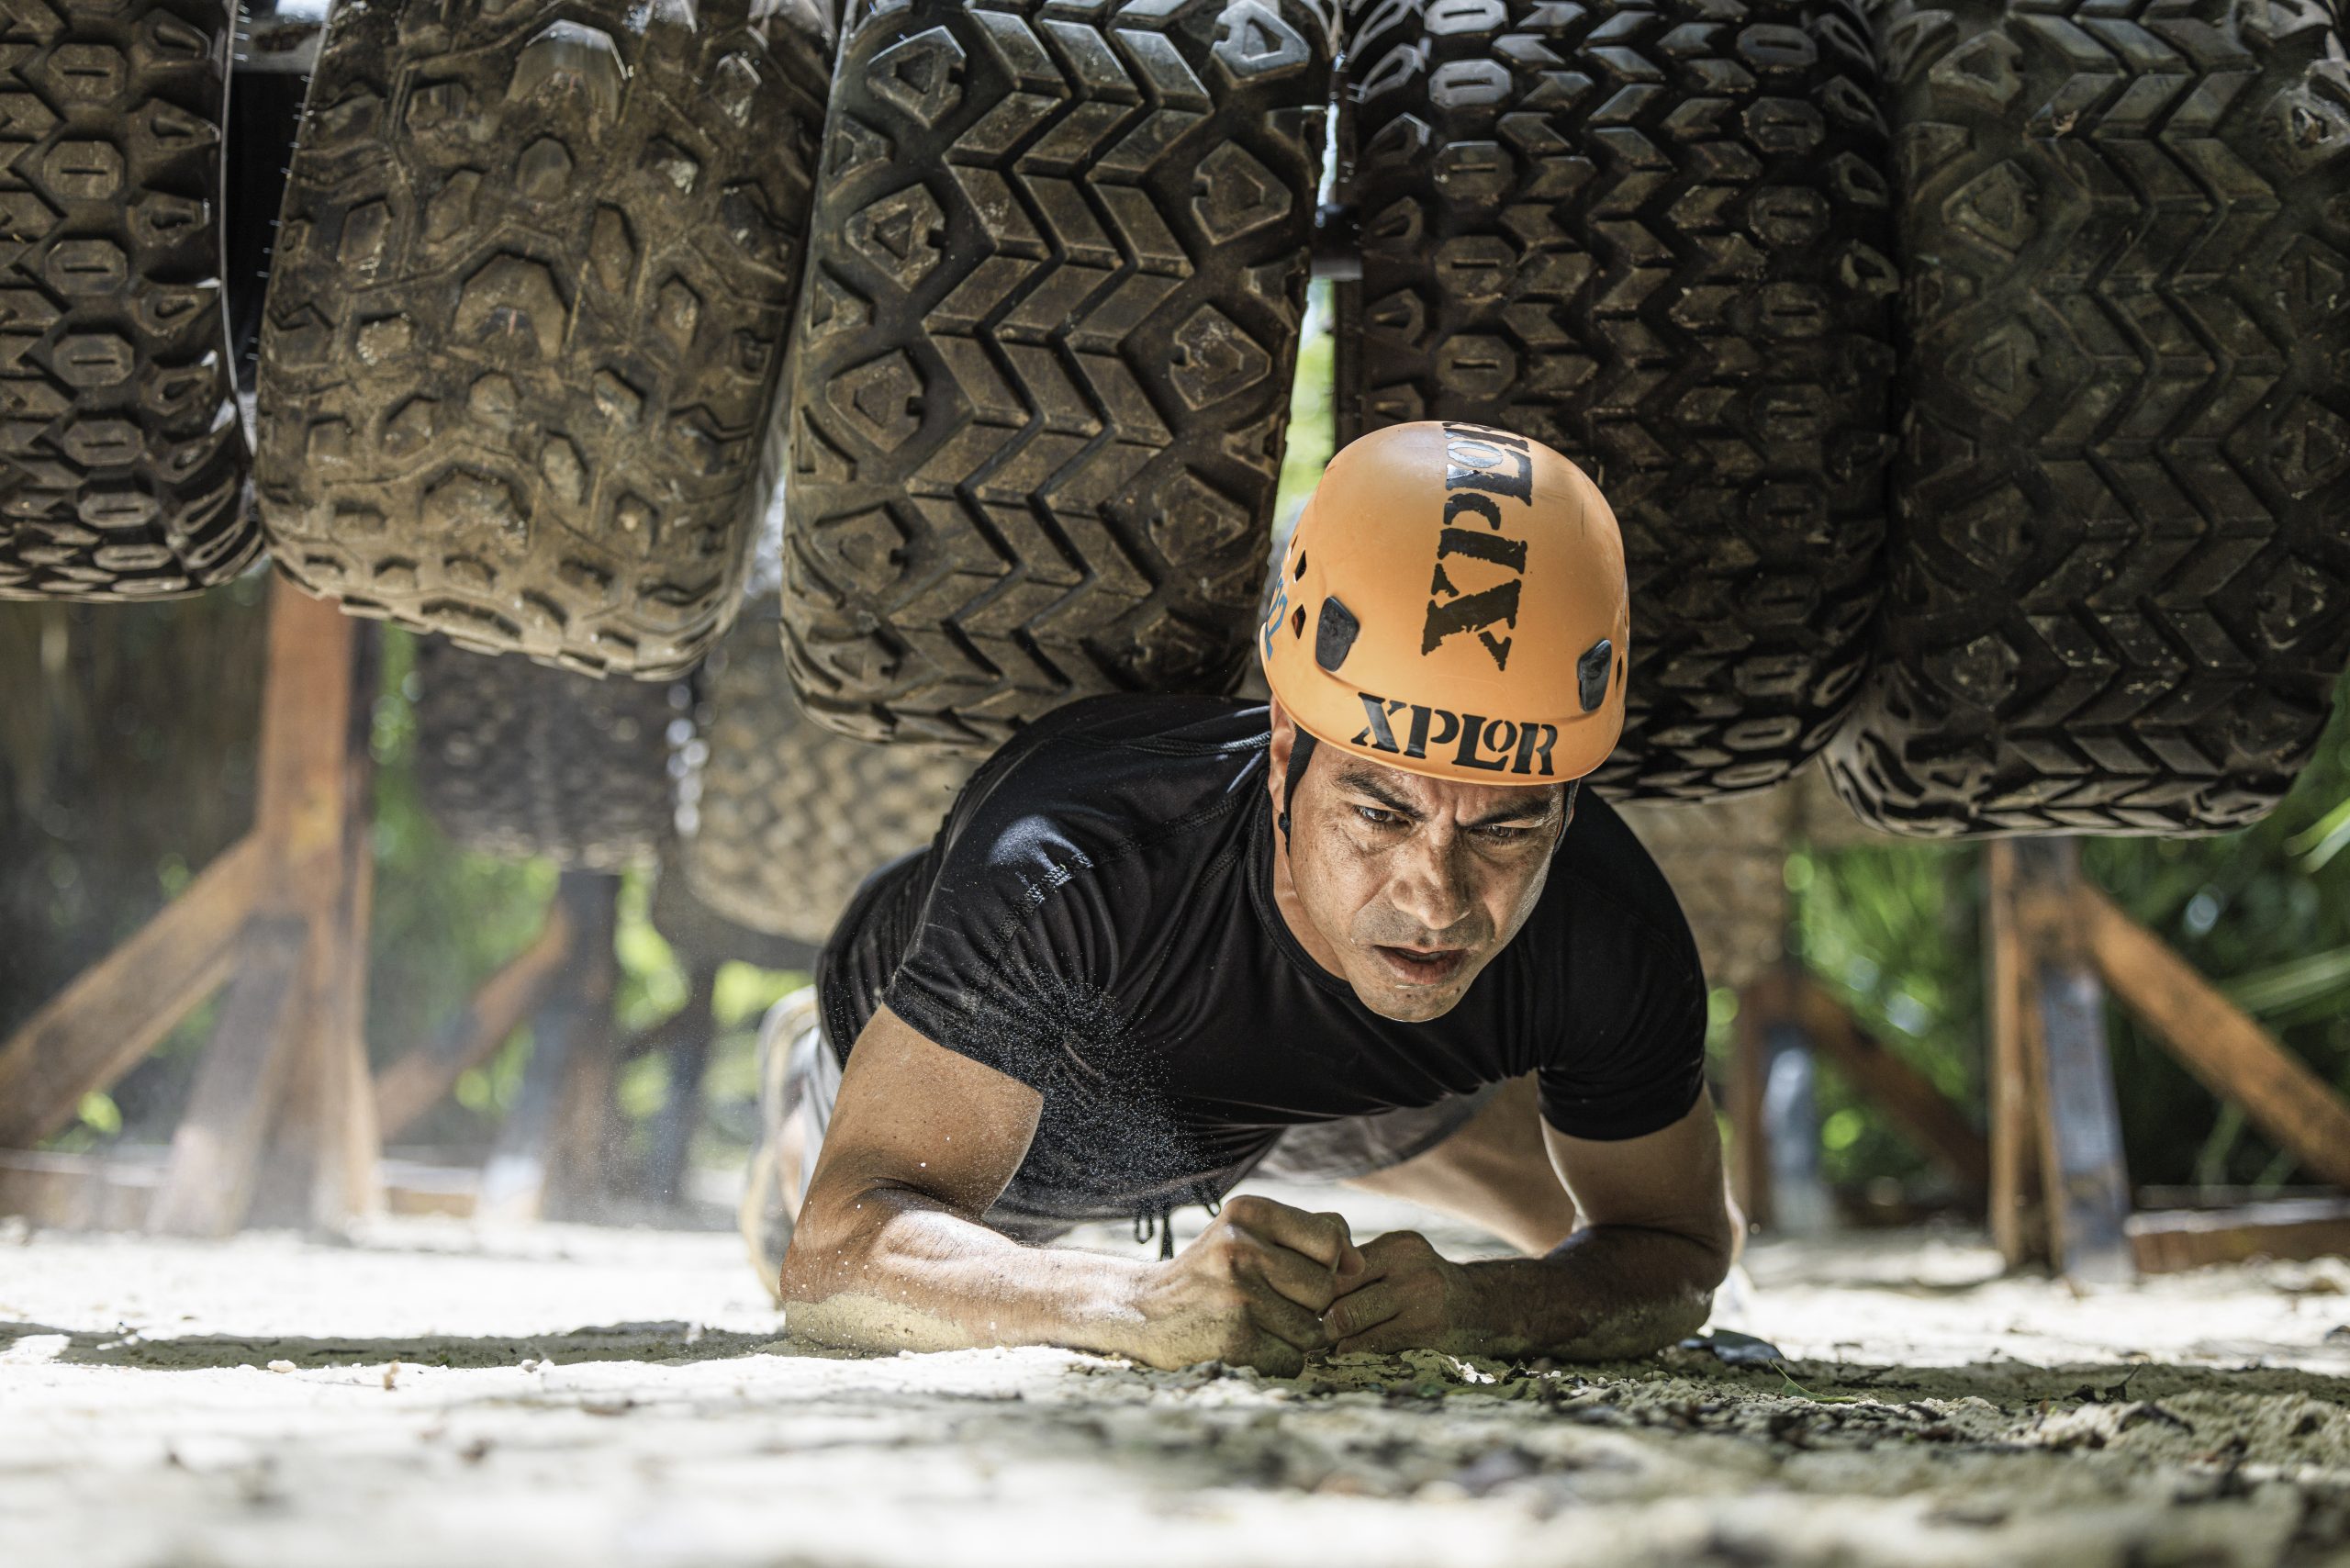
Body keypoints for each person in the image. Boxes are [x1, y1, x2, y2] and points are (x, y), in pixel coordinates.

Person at [740, 421, 1734, 1374]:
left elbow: (1678, 1248)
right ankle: (806, 1095)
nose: (1436, 898)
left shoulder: (1609, 927)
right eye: (1380, 814)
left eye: (1505, 828)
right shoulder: (1067, 860)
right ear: (1281, 756)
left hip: (1311, 1087)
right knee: (900, 1238)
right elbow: (833, 1260)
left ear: (1565, 806)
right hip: (1063, 1071)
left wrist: (1490, 1305)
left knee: (1610, 1210)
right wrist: (1137, 1304)